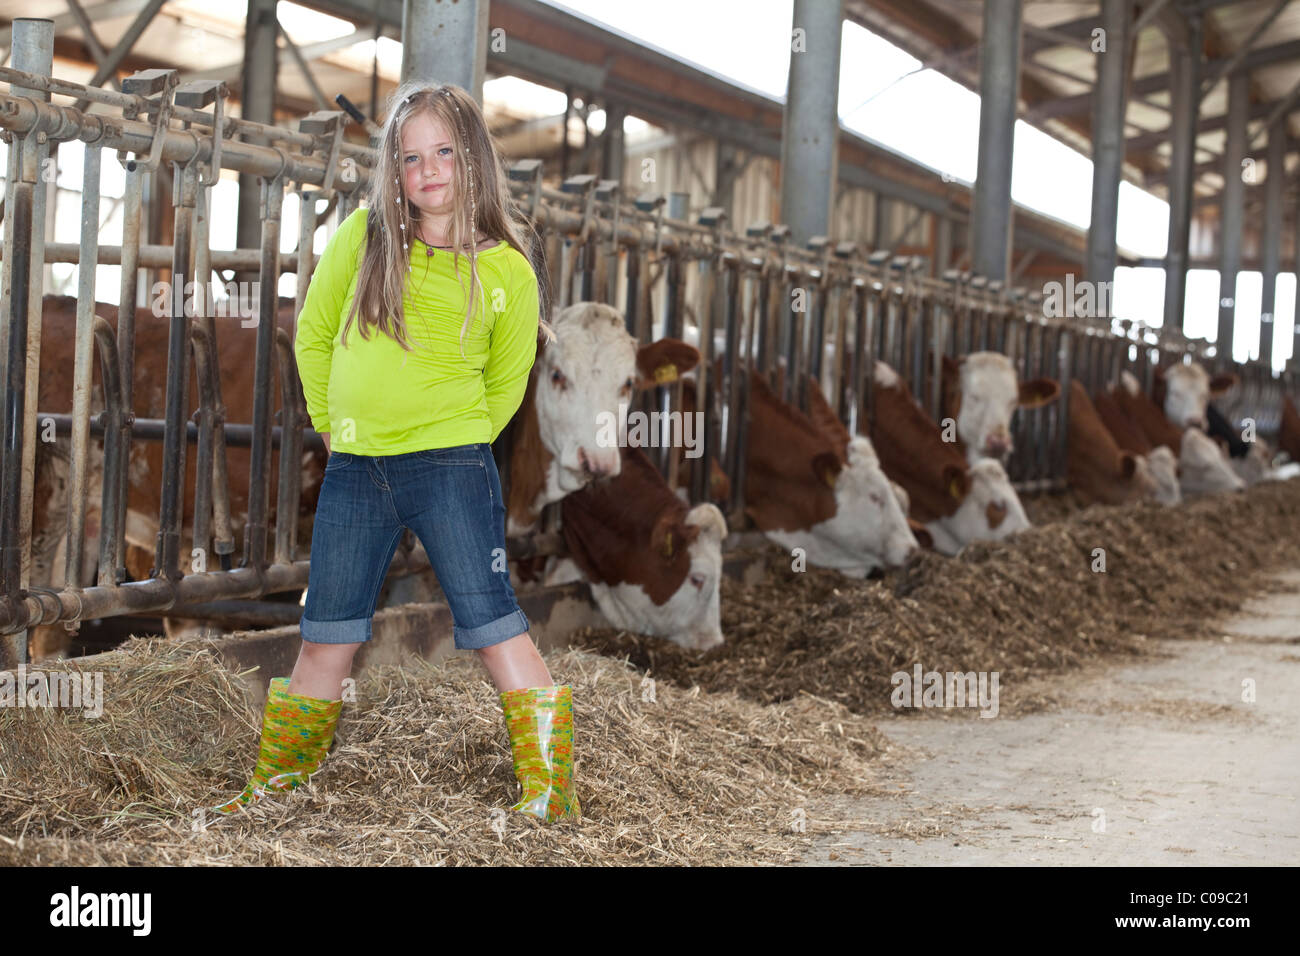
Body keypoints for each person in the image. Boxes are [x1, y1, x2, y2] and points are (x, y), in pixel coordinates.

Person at [211, 80, 578, 824]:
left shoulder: (506, 268)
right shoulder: (369, 235)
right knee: (326, 635)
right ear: (394, 171)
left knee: (493, 624)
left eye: (444, 152)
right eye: (411, 158)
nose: (429, 171)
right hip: (355, 470)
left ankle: (550, 792)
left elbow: (508, 383)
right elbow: (313, 332)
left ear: (473, 156)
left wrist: (457, 432)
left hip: (451, 470)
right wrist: (332, 420)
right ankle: (277, 788)